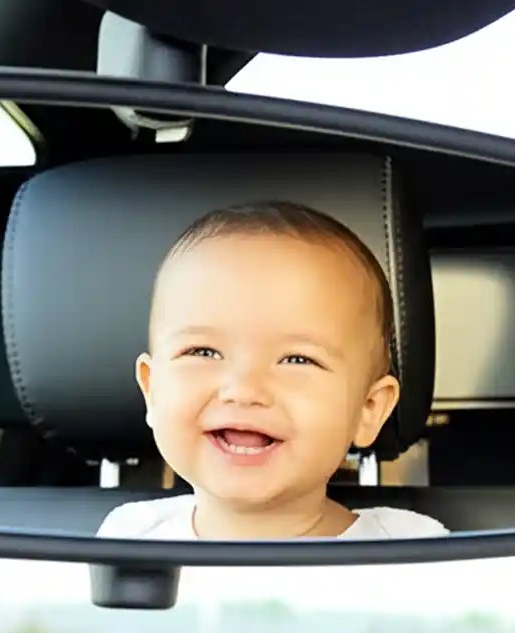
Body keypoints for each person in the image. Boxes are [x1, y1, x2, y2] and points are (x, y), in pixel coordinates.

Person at [97, 201, 449, 541]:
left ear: (368, 409)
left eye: (297, 359)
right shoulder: (130, 534)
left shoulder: (408, 549)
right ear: (152, 390)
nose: (244, 390)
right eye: (203, 351)